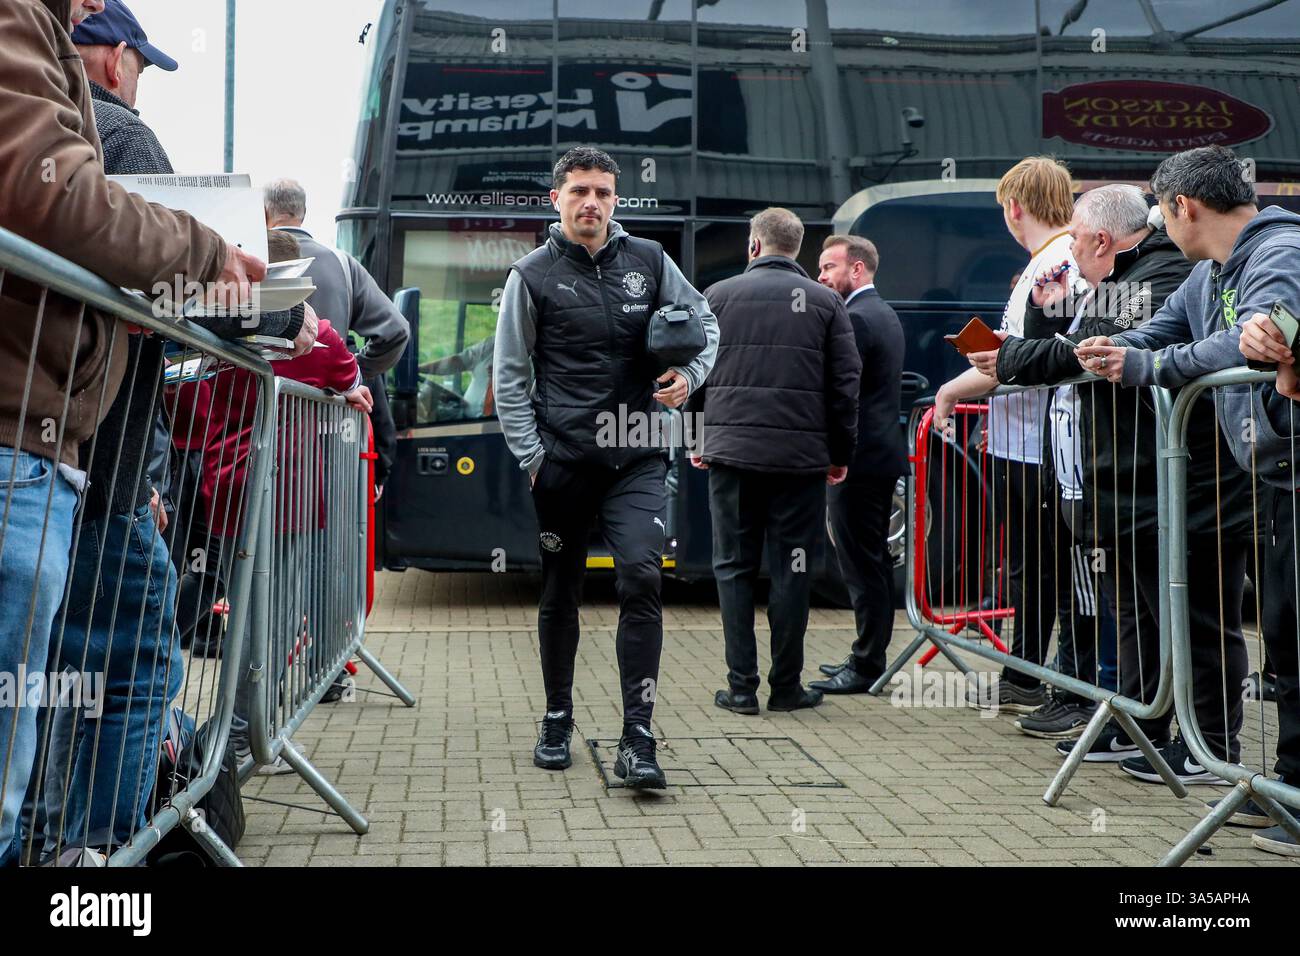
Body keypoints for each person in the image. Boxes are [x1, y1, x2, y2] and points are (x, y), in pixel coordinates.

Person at [27, 1, 313, 862]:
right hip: (92, 470)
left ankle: (55, 837)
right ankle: (102, 853)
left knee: (52, 675)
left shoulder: (38, 131)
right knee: (137, 662)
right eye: (142, 64)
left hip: (65, 460)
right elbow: (178, 291)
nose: (140, 81)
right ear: (112, 57)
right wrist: (270, 319)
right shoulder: (120, 135)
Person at [973, 185, 1251, 771]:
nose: (1069, 251)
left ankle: (1207, 747)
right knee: (1133, 611)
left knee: (1192, 617)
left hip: (1172, 478)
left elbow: (1083, 351)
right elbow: (1084, 350)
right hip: (1127, 483)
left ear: (1102, 239)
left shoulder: (1150, 278)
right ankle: (1139, 722)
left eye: (1074, 237)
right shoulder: (1149, 273)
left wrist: (1009, 358)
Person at [1076, 145, 1300, 853]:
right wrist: (1118, 350)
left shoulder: (1280, 250)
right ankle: (1287, 788)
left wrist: (1149, 364)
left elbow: (1259, 338)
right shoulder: (1208, 274)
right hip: (1275, 474)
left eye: (1160, 212)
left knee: (1289, 634)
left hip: (1290, 470)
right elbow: (1163, 332)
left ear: (1184, 207)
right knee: (1284, 634)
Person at [493, 146, 718, 789]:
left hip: (640, 453)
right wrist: (534, 458)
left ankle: (638, 737)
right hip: (563, 461)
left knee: (642, 576)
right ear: (556, 199)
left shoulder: (649, 261)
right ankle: (557, 716)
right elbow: (510, 376)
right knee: (560, 588)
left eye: (603, 192)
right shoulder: (530, 275)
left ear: (616, 200)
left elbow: (706, 323)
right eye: (579, 191)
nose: (591, 202)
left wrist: (689, 377)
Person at [694, 208, 860, 715]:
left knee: (733, 569)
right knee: (792, 572)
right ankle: (786, 687)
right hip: (799, 463)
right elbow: (845, 386)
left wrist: (700, 440)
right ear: (798, 250)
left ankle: (740, 689)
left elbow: (693, 374)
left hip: (732, 459)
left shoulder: (717, 297)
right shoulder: (827, 302)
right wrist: (839, 454)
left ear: (753, 246)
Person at [934, 156, 1084, 715]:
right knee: (1033, 563)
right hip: (1028, 439)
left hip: (1038, 444)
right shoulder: (1054, 262)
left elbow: (1023, 361)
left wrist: (952, 390)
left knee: (1047, 564)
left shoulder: (1054, 264)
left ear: (1014, 207)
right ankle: (1026, 672)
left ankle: (1058, 680)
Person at [809, 234, 906, 694]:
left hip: (861, 459)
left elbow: (840, 393)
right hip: (875, 455)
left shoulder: (857, 319)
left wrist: (834, 453)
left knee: (862, 562)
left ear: (858, 270)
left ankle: (868, 665)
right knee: (870, 560)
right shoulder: (876, 312)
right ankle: (866, 655)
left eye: (829, 268)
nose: (821, 277)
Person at [264, 178, 410, 379]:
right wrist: (353, 372)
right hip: (325, 405)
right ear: (303, 213)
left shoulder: (245, 259)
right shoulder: (343, 264)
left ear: (263, 212)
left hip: (250, 404)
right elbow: (396, 330)